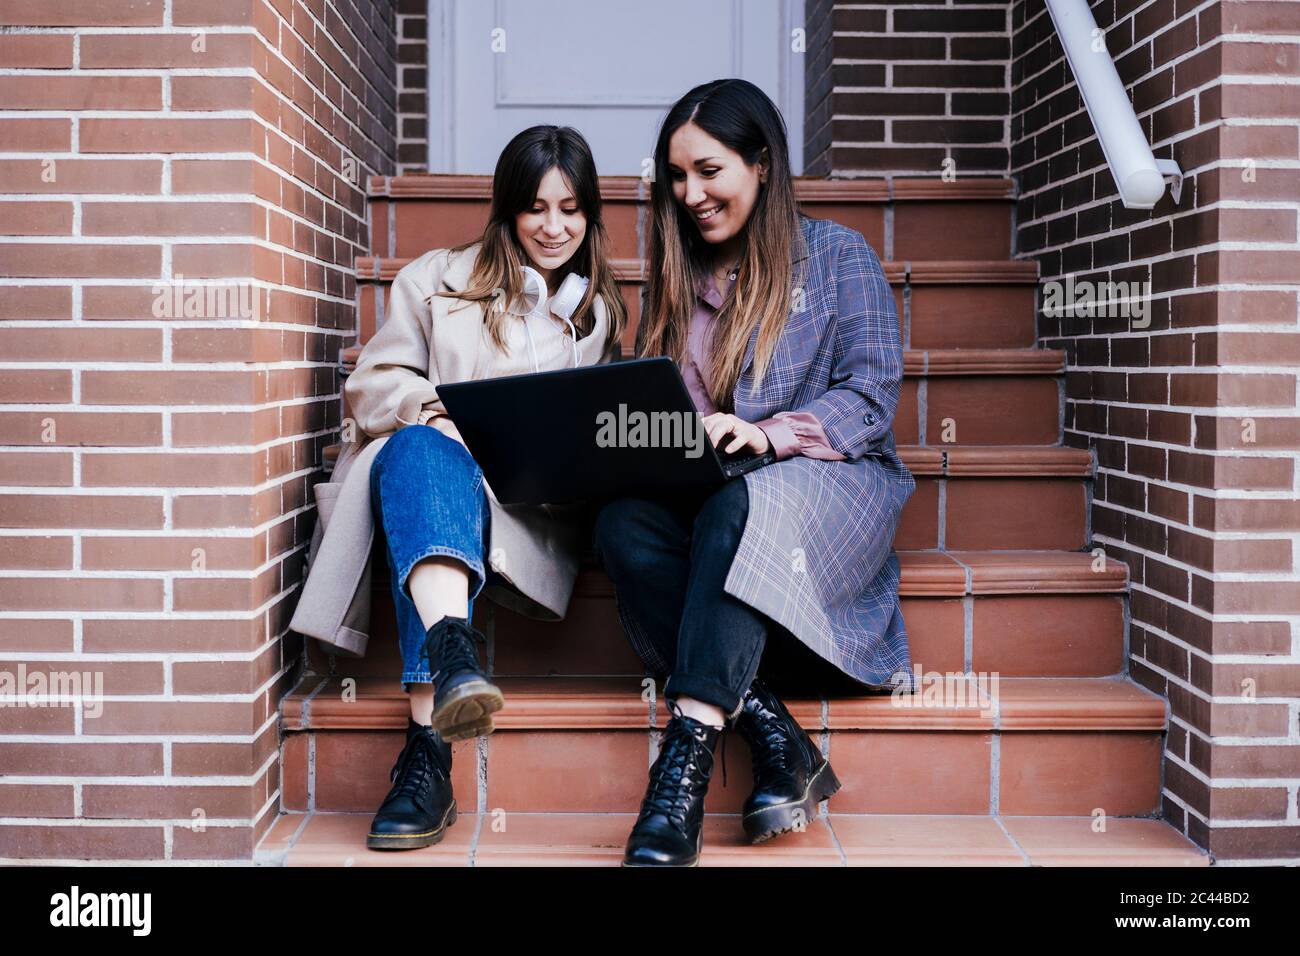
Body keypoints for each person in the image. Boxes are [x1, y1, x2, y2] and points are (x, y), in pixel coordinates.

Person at [592, 78, 916, 867]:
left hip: (829, 489)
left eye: (709, 170)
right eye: (676, 176)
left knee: (744, 506)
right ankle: (775, 733)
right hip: (720, 506)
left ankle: (685, 764)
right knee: (622, 523)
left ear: (762, 165)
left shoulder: (839, 256)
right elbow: (666, 411)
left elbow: (872, 397)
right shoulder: (675, 280)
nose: (690, 193)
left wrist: (768, 436)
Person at [289, 125, 625, 850]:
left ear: (590, 213)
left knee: (426, 466)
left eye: (571, 208)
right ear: (507, 208)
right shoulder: (434, 280)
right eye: (535, 207)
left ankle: (429, 733)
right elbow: (375, 383)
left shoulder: (603, 311)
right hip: (435, 486)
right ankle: (444, 692)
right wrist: (441, 414)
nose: (554, 226)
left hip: (530, 515)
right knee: (418, 448)